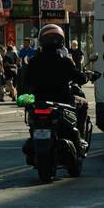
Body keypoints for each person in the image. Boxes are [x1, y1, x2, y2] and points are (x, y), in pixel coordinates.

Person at [22, 23, 90, 153]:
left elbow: (26, 81)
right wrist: (87, 77)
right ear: (61, 41)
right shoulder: (65, 61)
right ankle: (80, 138)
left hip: (40, 101)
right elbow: (80, 79)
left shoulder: (34, 61)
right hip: (62, 100)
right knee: (83, 104)